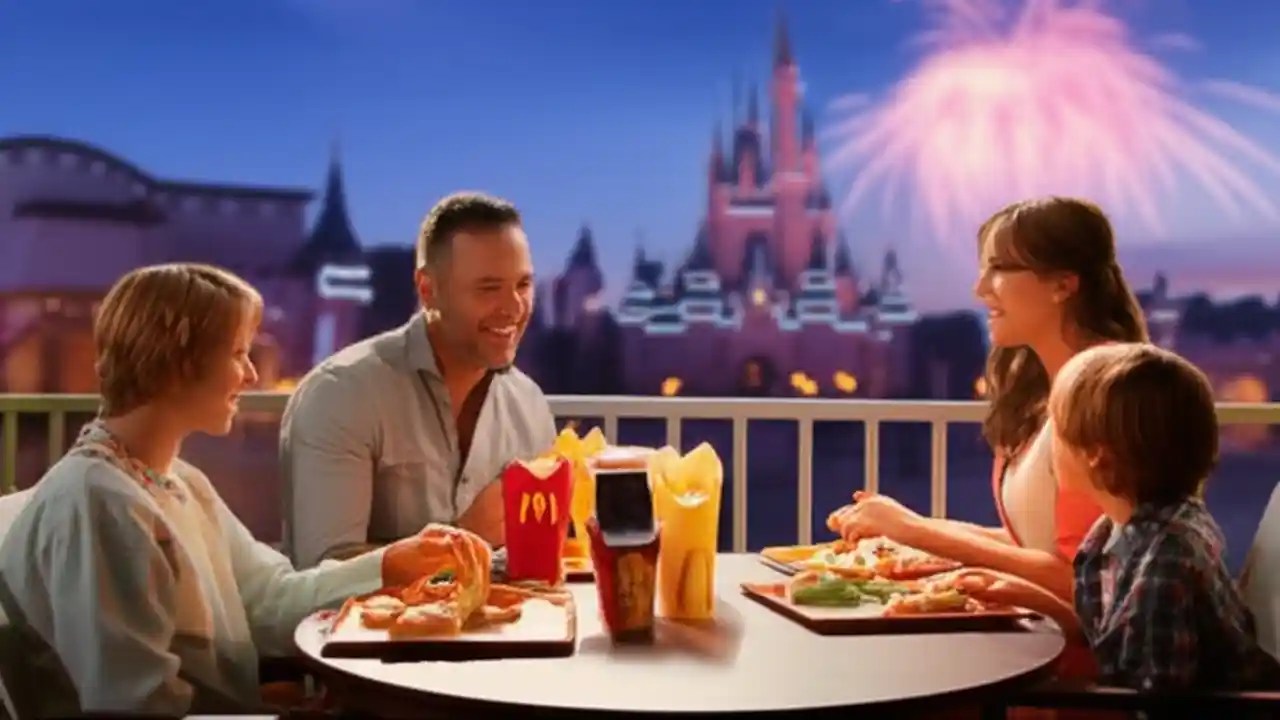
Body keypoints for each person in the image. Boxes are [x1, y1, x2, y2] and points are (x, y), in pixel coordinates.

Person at [0, 264, 460, 716]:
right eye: (239, 353)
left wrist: (393, 564)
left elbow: (269, 598)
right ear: (181, 361)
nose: (252, 375)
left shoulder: (176, 482)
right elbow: (137, 706)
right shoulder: (101, 504)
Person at [831, 197, 1148, 603]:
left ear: (1063, 285)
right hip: (1033, 634)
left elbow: (1082, 580)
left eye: (999, 269)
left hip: (1070, 657)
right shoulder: (1041, 392)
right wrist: (907, 530)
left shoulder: (1106, 396)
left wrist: (913, 529)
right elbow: (1031, 544)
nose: (980, 289)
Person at [954, 343, 1280, 692]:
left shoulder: (1167, 560)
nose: (1047, 446)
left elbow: (1151, 700)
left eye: (1056, 429)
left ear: (1096, 455)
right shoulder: (1120, 528)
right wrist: (1036, 601)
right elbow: (1118, 641)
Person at [281, 191, 556, 568]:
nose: (514, 307)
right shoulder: (341, 395)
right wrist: (463, 541)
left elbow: (538, 561)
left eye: (523, 285)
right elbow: (325, 576)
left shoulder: (530, 404)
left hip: (516, 625)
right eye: (489, 288)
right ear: (428, 290)